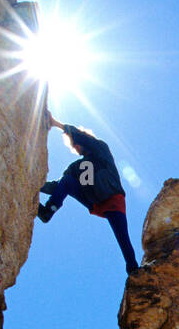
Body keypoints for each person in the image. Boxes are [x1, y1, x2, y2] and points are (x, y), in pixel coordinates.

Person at [36, 112, 139, 274]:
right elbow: (58, 186)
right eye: (73, 146)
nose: (75, 148)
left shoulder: (101, 149)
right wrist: (34, 184)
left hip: (112, 198)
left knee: (122, 238)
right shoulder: (77, 166)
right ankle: (48, 212)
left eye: (75, 144)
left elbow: (80, 135)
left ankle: (133, 269)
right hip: (94, 201)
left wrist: (56, 124)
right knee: (68, 180)